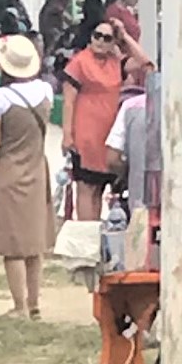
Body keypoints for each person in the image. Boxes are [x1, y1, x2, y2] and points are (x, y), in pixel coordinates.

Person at [0, 32, 56, 317]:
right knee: (35, 242)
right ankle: (34, 303)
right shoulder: (46, 91)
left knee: (13, 244)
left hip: (8, 171)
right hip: (37, 168)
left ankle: (19, 305)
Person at [61, 21, 129, 221]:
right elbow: (68, 101)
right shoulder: (79, 62)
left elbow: (146, 64)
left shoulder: (116, 63)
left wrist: (125, 37)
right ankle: (85, 237)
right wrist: (67, 135)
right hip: (85, 134)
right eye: (96, 35)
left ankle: (94, 236)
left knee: (98, 188)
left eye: (107, 38)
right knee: (85, 187)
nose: (100, 41)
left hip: (107, 136)